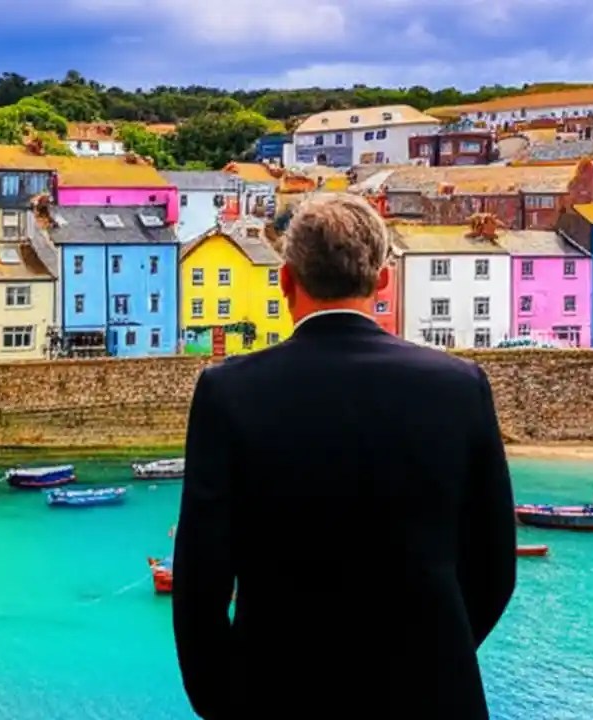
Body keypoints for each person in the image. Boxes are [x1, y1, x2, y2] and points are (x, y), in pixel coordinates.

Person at [172, 193, 516, 719]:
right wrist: (436, 657)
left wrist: (224, 699)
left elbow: (200, 581)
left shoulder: (227, 391)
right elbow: (494, 566)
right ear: (381, 281)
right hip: (433, 695)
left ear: (286, 280)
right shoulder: (459, 386)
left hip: (276, 693)